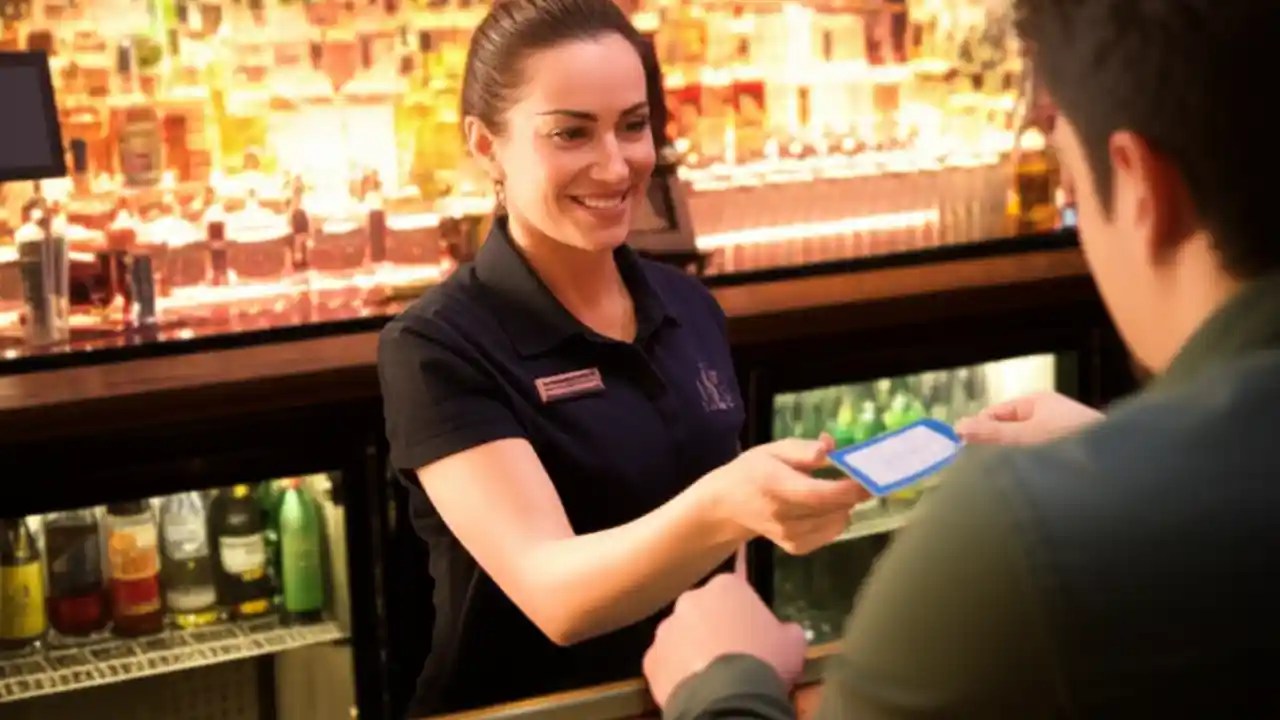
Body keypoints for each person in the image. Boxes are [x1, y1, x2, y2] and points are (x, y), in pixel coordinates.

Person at [643, 0, 1280, 717]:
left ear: (1136, 185)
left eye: (1067, 177)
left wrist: (724, 681)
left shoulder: (1019, 544)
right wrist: (1115, 451)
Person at [375, 0, 865, 714]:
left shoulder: (687, 305)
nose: (616, 165)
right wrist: (730, 504)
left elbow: (720, 564)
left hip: (694, 700)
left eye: (633, 126)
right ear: (486, 146)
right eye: (571, 133)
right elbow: (556, 596)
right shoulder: (437, 346)